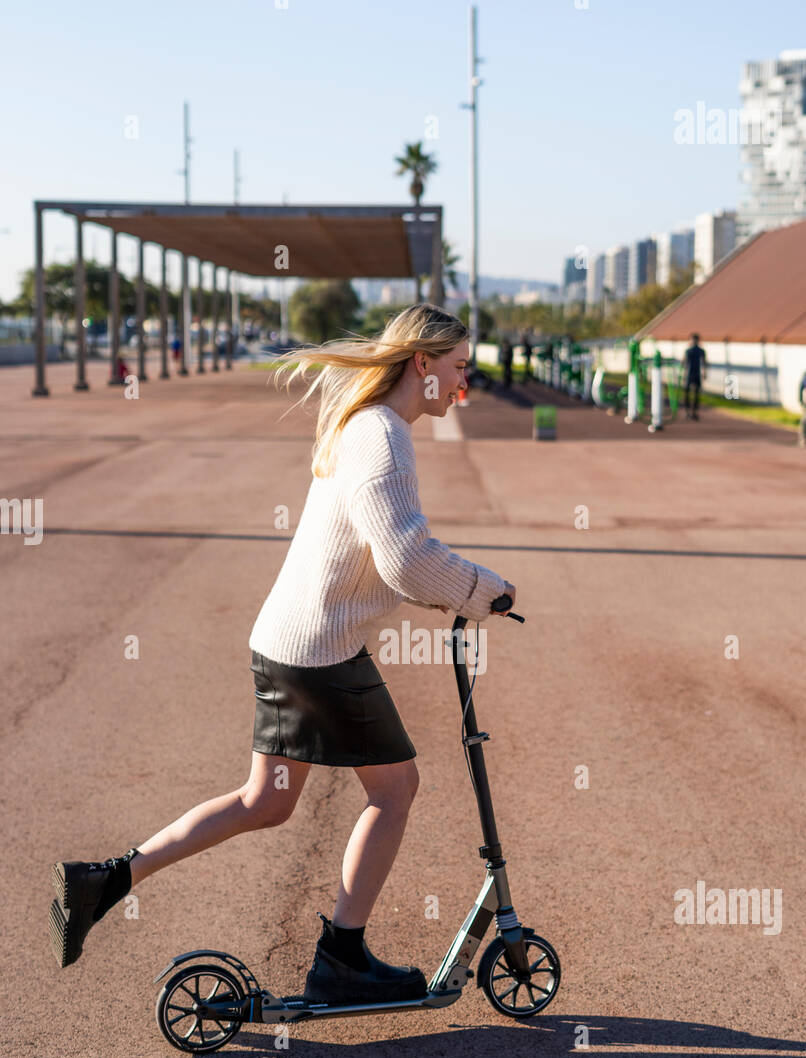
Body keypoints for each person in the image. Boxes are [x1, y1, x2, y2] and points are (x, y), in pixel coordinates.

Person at [49, 304, 516, 1008]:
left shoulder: (363, 427)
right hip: (319, 652)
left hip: (286, 642)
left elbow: (392, 555)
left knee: (263, 802)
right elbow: (406, 559)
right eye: (456, 371)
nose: (461, 388)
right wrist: (484, 591)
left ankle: (108, 879)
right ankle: (342, 959)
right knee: (395, 791)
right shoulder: (383, 436)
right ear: (422, 363)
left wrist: (460, 592)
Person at [682, 332, 706, 420]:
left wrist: (704, 373)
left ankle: (694, 412)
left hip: (696, 374)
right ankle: (687, 411)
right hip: (689, 373)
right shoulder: (688, 350)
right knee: (686, 393)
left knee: (696, 393)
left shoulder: (701, 351)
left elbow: (704, 362)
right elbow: (684, 362)